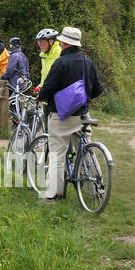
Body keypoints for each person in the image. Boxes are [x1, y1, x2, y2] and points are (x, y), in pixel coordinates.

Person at [34, 26, 103, 202]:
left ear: (64, 43)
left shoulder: (60, 63)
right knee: (86, 150)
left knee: (57, 154)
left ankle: (55, 194)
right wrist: (82, 101)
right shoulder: (88, 62)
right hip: (82, 116)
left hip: (61, 116)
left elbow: (48, 88)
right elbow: (97, 90)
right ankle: (96, 190)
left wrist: (40, 97)